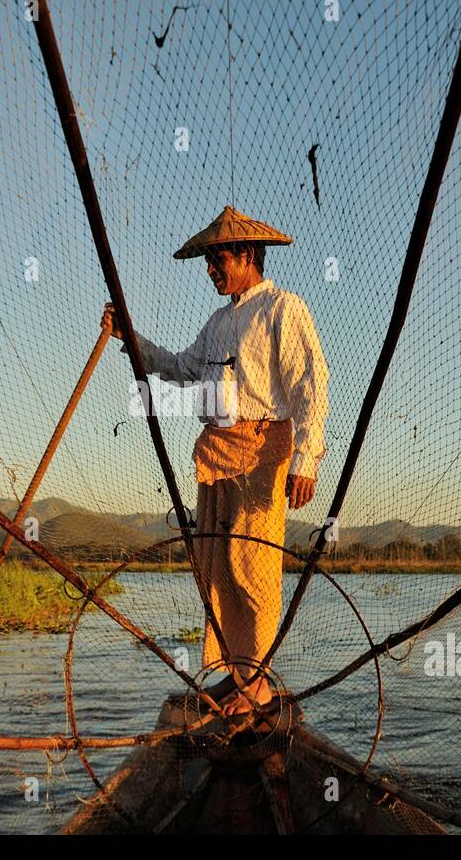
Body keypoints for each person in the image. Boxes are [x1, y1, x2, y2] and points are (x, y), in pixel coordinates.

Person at [101, 206, 329, 715]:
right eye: (208, 260)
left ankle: (259, 684)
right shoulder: (219, 321)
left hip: (262, 451)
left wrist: (307, 459)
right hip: (218, 453)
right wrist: (131, 340)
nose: (211, 269)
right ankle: (240, 674)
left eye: (218, 258)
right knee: (218, 566)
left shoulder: (282, 309)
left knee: (253, 564)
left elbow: (310, 385)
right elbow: (182, 368)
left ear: (247, 255)